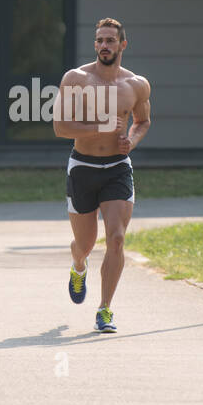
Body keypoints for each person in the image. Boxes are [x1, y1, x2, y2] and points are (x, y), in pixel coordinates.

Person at [51, 18, 152, 333]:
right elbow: (60, 127)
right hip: (83, 167)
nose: (104, 46)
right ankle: (78, 265)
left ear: (123, 45)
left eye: (110, 40)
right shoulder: (76, 79)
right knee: (85, 243)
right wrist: (100, 127)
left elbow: (142, 121)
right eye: (99, 40)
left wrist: (130, 142)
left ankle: (105, 310)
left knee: (117, 238)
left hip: (117, 169)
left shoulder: (136, 85)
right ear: (95, 45)